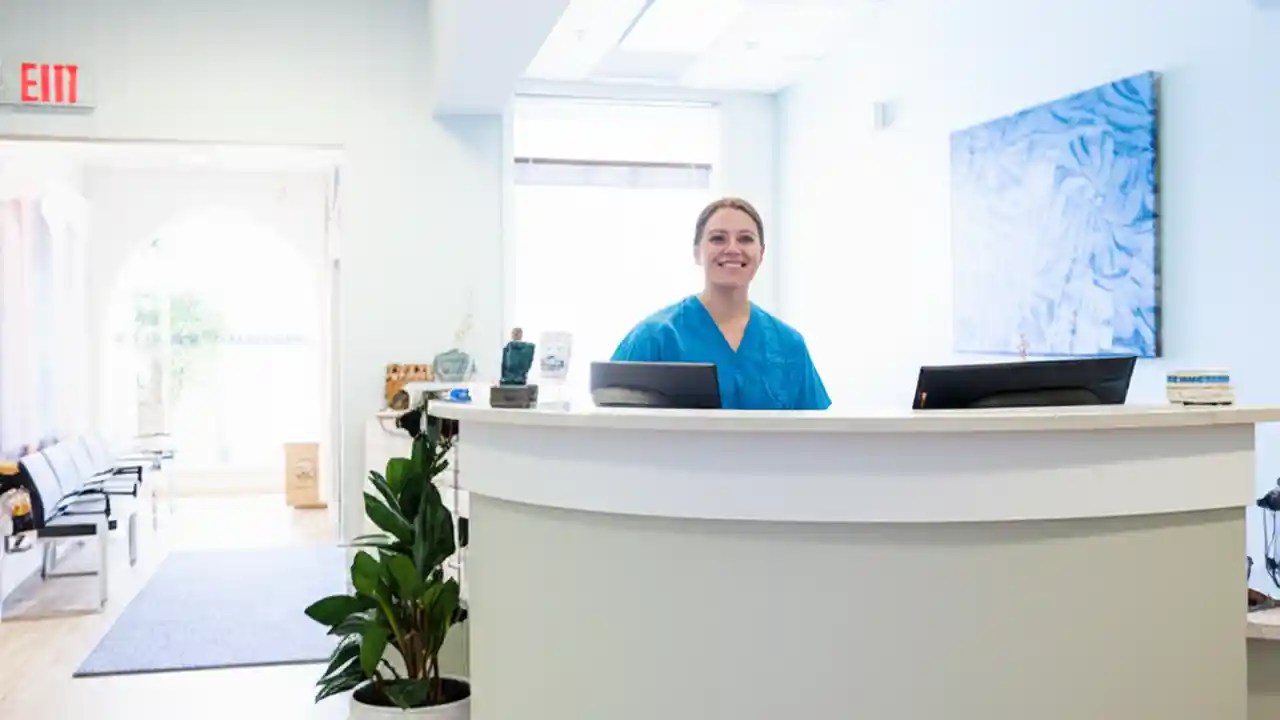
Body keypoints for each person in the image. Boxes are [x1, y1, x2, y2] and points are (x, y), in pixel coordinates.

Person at [611, 197, 831, 410]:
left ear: (761, 254)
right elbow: (613, 428)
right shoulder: (654, 337)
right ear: (697, 252)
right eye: (718, 238)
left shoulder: (789, 345)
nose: (733, 249)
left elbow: (816, 436)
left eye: (746, 239)